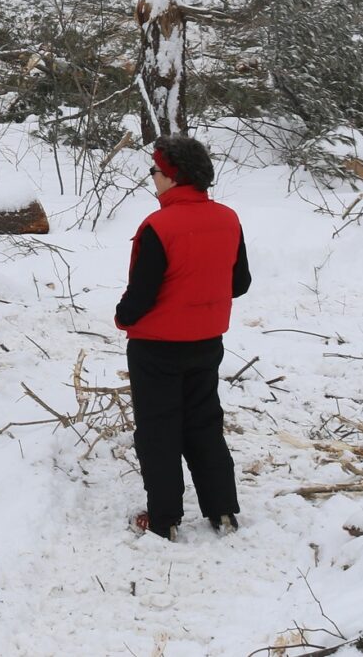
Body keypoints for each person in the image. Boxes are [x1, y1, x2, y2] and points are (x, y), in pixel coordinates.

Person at [113, 133, 251, 541]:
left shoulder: (159, 225)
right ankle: (223, 510)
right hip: (207, 343)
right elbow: (239, 283)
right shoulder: (228, 218)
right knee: (204, 424)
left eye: (155, 171)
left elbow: (142, 295)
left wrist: (123, 318)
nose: (152, 178)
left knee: (158, 430)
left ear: (173, 176)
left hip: (155, 346)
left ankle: (164, 519)